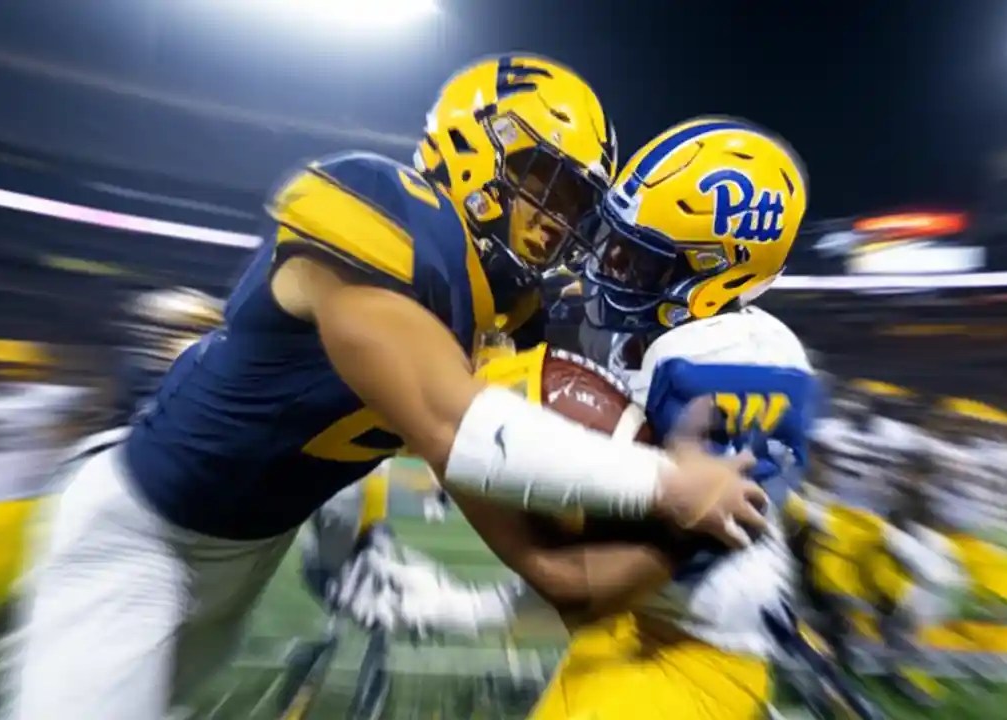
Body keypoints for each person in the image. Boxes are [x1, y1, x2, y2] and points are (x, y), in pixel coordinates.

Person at [3, 59, 763, 720]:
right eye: (544, 182)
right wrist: (664, 481)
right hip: (142, 534)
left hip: (242, 555)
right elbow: (455, 425)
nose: (554, 224)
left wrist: (683, 539)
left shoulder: (503, 318)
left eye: (574, 208)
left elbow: (556, 572)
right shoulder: (379, 204)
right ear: (473, 145)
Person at [338, 117, 820, 719]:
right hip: (636, 628)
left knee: (508, 392)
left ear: (720, 276)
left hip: (695, 658)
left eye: (640, 260)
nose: (610, 265)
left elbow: (633, 566)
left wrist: (468, 606)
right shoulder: (651, 342)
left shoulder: (735, 355)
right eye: (615, 242)